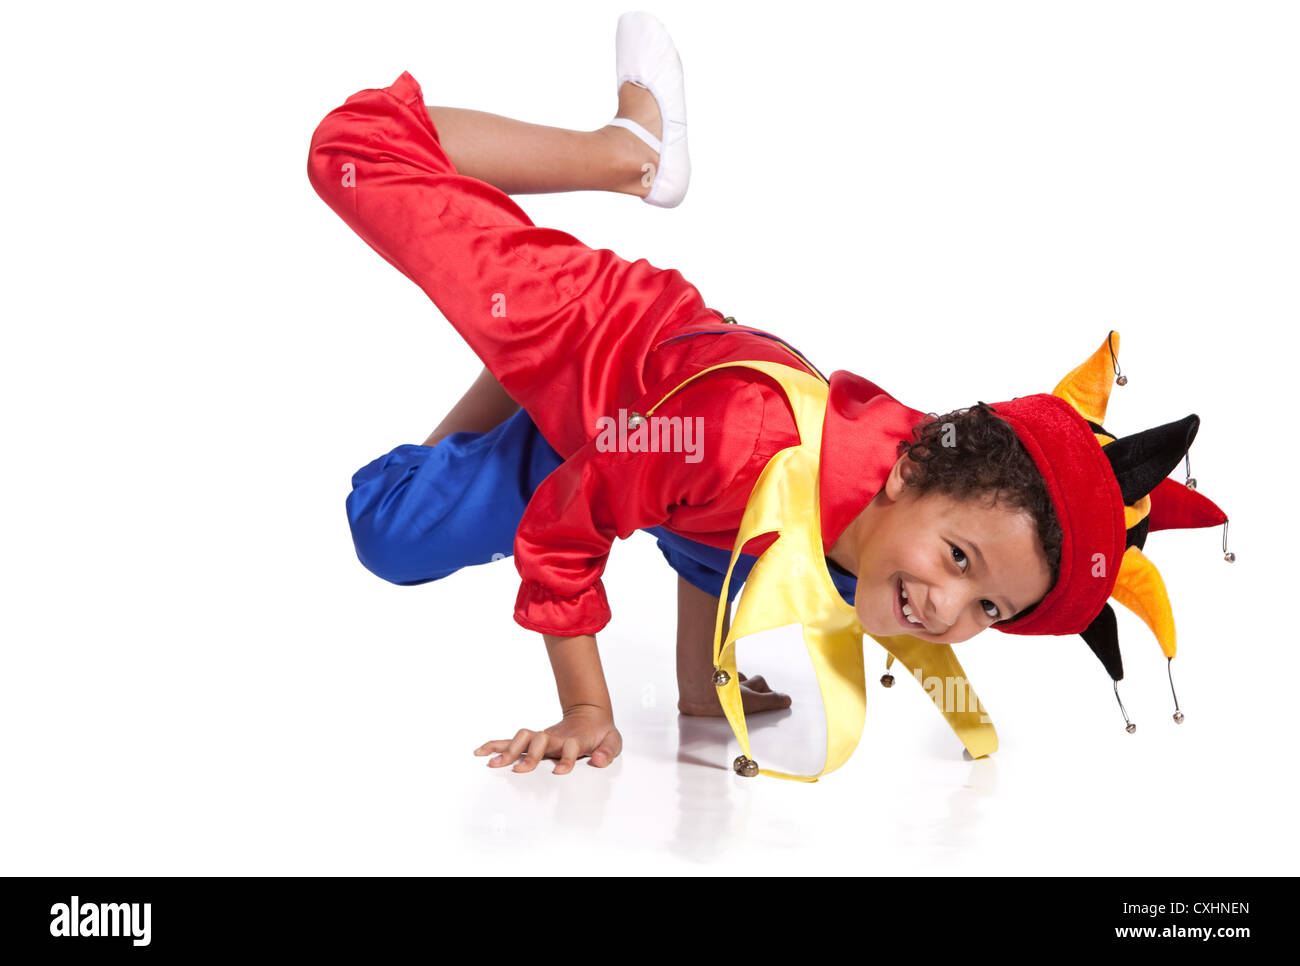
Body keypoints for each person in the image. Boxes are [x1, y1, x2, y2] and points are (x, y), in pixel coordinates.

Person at [307, 14, 1228, 781]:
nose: (951, 608)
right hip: (613, 351)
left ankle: (688, 663)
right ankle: (621, 154)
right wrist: (585, 706)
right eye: (958, 560)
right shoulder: (744, 444)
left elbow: (752, 551)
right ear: (909, 473)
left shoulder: (878, 543)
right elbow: (562, 525)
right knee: (352, 156)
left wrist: (970, 734)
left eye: (989, 609)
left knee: (720, 518)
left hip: (670, 442)